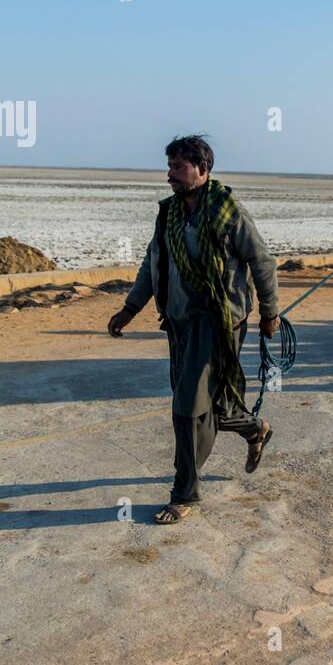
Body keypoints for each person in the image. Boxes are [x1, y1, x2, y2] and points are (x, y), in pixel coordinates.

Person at [108, 135, 280, 524]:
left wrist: (270, 313)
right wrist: (130, 307)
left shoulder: (227, 210)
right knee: (211, 407)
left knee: (187, 407)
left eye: (178, 167)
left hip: (217, 323)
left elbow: (262, 261)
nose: (170, 174)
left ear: (203, 169)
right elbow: (152, 264)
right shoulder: (168, 213)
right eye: (169, 166)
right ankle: (255, 429)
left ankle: (184, 493)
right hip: (178, 322)